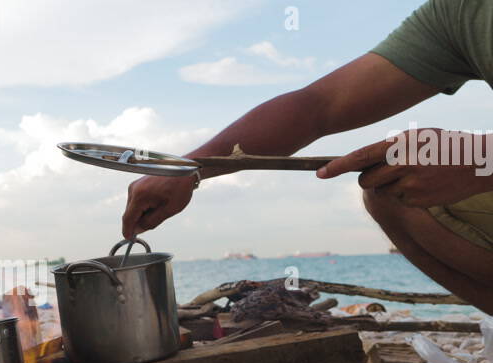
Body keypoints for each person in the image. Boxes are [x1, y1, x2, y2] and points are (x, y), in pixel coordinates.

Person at [122, 0, 493, 313]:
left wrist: (482, 160)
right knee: (392, 191)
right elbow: (319, 106)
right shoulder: (460, 12)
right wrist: (186, 168)